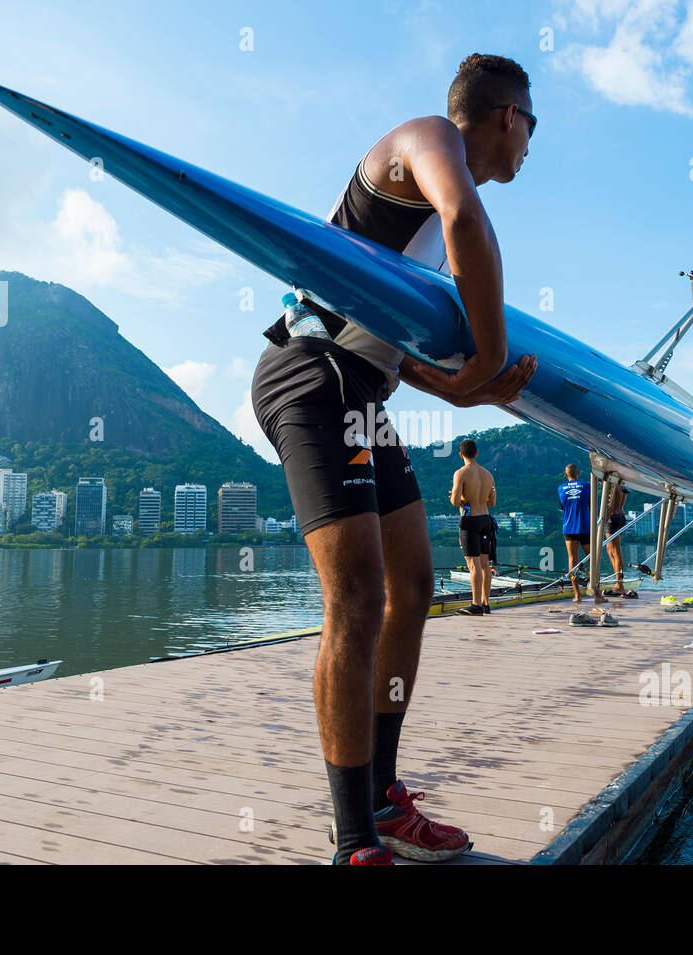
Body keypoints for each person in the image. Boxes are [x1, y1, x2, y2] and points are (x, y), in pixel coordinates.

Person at [250, 54, 539, 865]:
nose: (530, 148)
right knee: (357, 595)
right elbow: (467, 225)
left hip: (364, 393)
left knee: (413, 582)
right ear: (508, 115)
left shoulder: (446, 211)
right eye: (532, 128)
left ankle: (381, 791)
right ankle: (354, 841)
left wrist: (461, 389)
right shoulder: (426, 139)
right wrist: (490, 350)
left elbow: (396, 344)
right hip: (310, 378)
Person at [450, 438, 496, 616]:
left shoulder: (460, 473)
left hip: (470, 520)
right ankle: (485, 603)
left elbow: (455, 501)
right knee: (485, 564)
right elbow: (492, 502)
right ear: (476, 453)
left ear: (461, 454)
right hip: (486, 519)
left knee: (473, 565)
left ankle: (475, 605)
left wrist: (459, 498)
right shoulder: (488, 474)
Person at [558, 463, 590, 603]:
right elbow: (590, 503)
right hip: (585, 526)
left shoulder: (561, 488)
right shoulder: (586, 486)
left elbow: (561, 506)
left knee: (572, 559)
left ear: (566, 475)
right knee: (592, 559)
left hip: (569, 527)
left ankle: (577, 594)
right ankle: (596, 592)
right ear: (578, 473)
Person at [601, 482, 630, 597]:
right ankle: (618, 581)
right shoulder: (621, 485)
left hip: (612, 517)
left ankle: (620, 584)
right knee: (611, 551)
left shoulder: (611, 486)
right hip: (621, 517)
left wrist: (603, 523)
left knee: (615, 552)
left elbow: (610, 507)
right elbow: (621, 505)